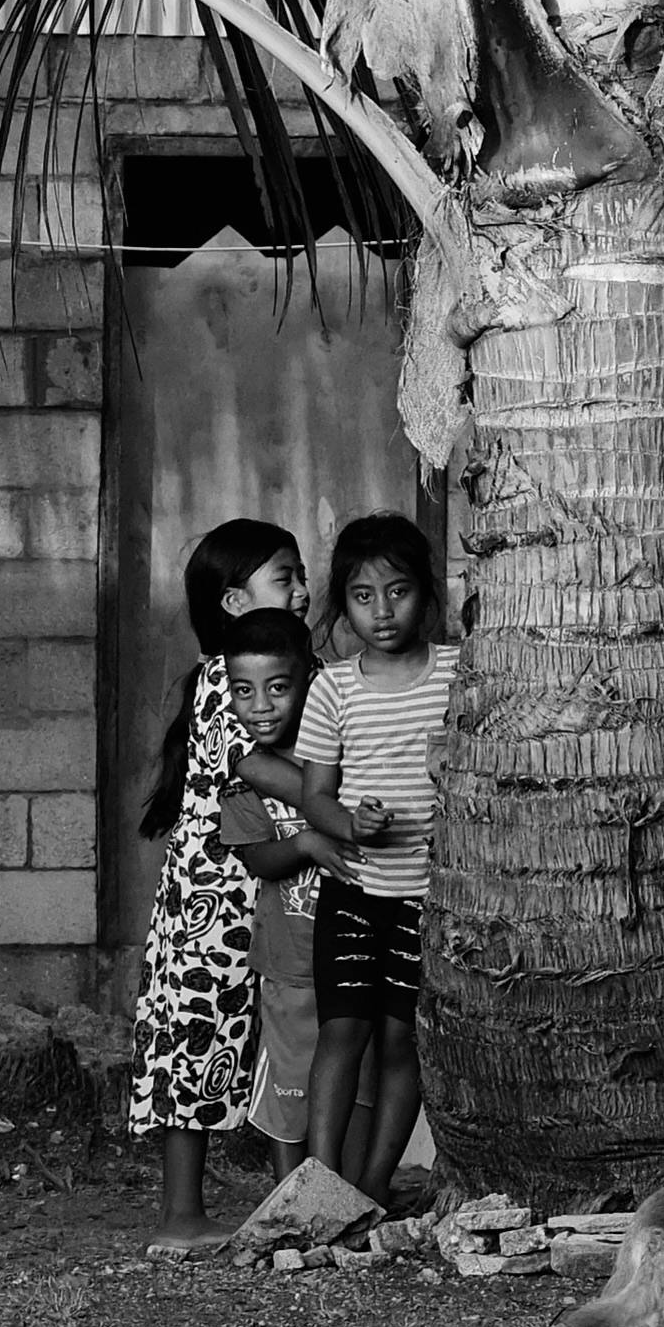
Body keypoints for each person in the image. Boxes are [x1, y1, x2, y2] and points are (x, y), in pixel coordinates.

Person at [128, 518, 308, 1256]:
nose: (302, 590)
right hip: (215, 898)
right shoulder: (221, 679)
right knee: (201, 1038)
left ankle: (296, 1196)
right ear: (234, 602)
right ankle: (181, 1215)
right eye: (284, 578)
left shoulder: (295, 667)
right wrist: (343, 801)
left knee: (280, 1039)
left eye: (301, 576)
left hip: (269, 886)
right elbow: (256, 768)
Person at [298, 512, 456, 1205]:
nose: (382, 612)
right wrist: (351, 825)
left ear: (426, 593)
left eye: (398, 592)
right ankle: (319, 1184)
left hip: (431, 899)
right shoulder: (333, 687)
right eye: (363, 596)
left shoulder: (457, 672)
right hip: (356, 892)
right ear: (344, 603)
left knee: (402, 1043)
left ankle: (370, 1188)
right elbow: (316, 797)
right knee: (342, 1034)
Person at [213, 607, 376, 1180]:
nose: (260, 706)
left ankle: (353, 1196)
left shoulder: (337, 761)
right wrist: (307, 843)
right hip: (289, 967)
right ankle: (288, 1197)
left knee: (358, 1087)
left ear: (309, 678)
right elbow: (257, 859)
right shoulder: (246, 779)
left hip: (356, 954)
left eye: (277, 688)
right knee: (287, 1091)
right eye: (244, 691)